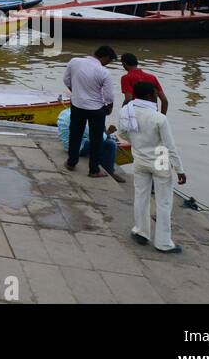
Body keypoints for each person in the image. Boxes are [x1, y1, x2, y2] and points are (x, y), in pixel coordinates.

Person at [120, 81, 187, 253]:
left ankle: (141, 232)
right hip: (160, 157)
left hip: (140, 157)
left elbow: (122, 133)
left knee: (140, 197)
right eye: (156, 94)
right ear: (150, 96)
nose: (157, 97)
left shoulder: (127, 111)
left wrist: (137, 144)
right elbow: (169, 146)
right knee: (163, 202)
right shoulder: (159, 118)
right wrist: (180, 170)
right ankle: (163, 243)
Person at [62, 45, 117, 178]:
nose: (108, 64)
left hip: (77, 104)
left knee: (75, 134)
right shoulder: (103, 72)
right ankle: (94, 169)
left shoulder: (74, 62)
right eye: (109, 61)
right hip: (96, 109)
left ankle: (71, 162)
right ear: (105, 57)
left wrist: (76, 92)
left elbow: (66, 80)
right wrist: (108, 108)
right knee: (96, 139)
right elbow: (109, 96)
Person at [57, 106, 123, 180]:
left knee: (101, 139)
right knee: (111, 144)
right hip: (77, 147)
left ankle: (72, 163)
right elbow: (99, 138)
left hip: (67, 143)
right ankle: (109, 172)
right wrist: (107, 133)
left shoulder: (65, 112)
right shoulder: (80, 116)